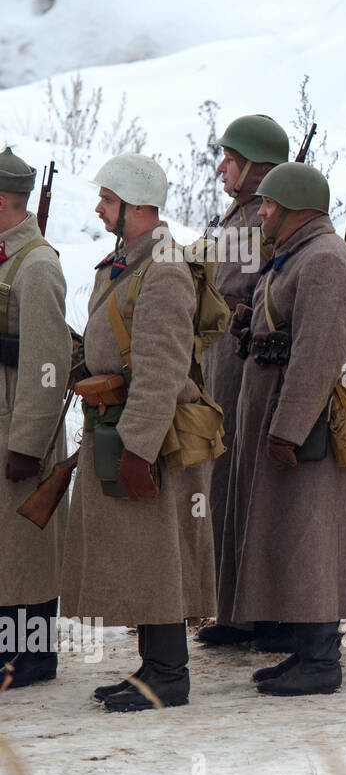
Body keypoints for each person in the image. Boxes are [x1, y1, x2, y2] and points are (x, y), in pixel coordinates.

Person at [220, 162, 346, 695]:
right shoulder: (297, 255)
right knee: (293, 530)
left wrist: (289, 428)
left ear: (296, 209)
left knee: (314, 532)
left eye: (268, 204)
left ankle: (321, 659)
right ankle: (305, 649)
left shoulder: (325, 261)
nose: (260, 211)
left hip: (311, 419)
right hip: (285, 407)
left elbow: (318, 355)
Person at [61, 154, 216, 711]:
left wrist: (137, 449)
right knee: (143, 554)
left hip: (151, 433)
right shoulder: (127, 262)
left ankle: (170, 675)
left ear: (137, 204)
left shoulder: (165, 269)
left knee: (158, 553)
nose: (99, 209)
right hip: (120, 423)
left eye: (107, 199)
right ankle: (153, 667)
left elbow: (162, 369)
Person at [195, 113, 294, 652]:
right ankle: (234, 609)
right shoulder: (243, 215)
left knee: (242, 482)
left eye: (230, 159)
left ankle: (258, 613)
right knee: (225, 484)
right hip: (225, 363)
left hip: (244, 362)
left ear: (255, 166)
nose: (221, 168)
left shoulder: (260, 220)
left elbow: (247, 287)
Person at [0, 147, 70, 688]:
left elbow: (49, 363)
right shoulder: (6, 256)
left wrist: (29, 444)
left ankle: (33, 658)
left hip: (19, 428)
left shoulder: (37, 266)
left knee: (28, 547)